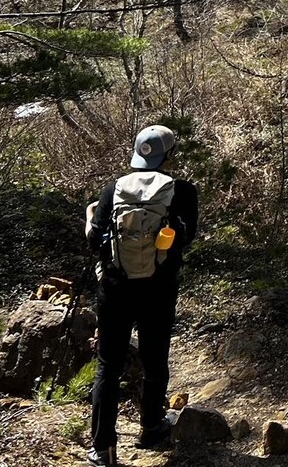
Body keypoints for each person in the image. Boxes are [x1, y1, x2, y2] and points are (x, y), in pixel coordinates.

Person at [84, 125, 199, 467]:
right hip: (158, 289)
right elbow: (186, 237)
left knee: (109, 365)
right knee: (155, 358)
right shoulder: (182, 191)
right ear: (170, 155)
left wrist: (89, 215)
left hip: (115, 289)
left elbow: (95, 241)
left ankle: (103, 447)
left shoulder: (113, 189)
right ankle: (151, 427)